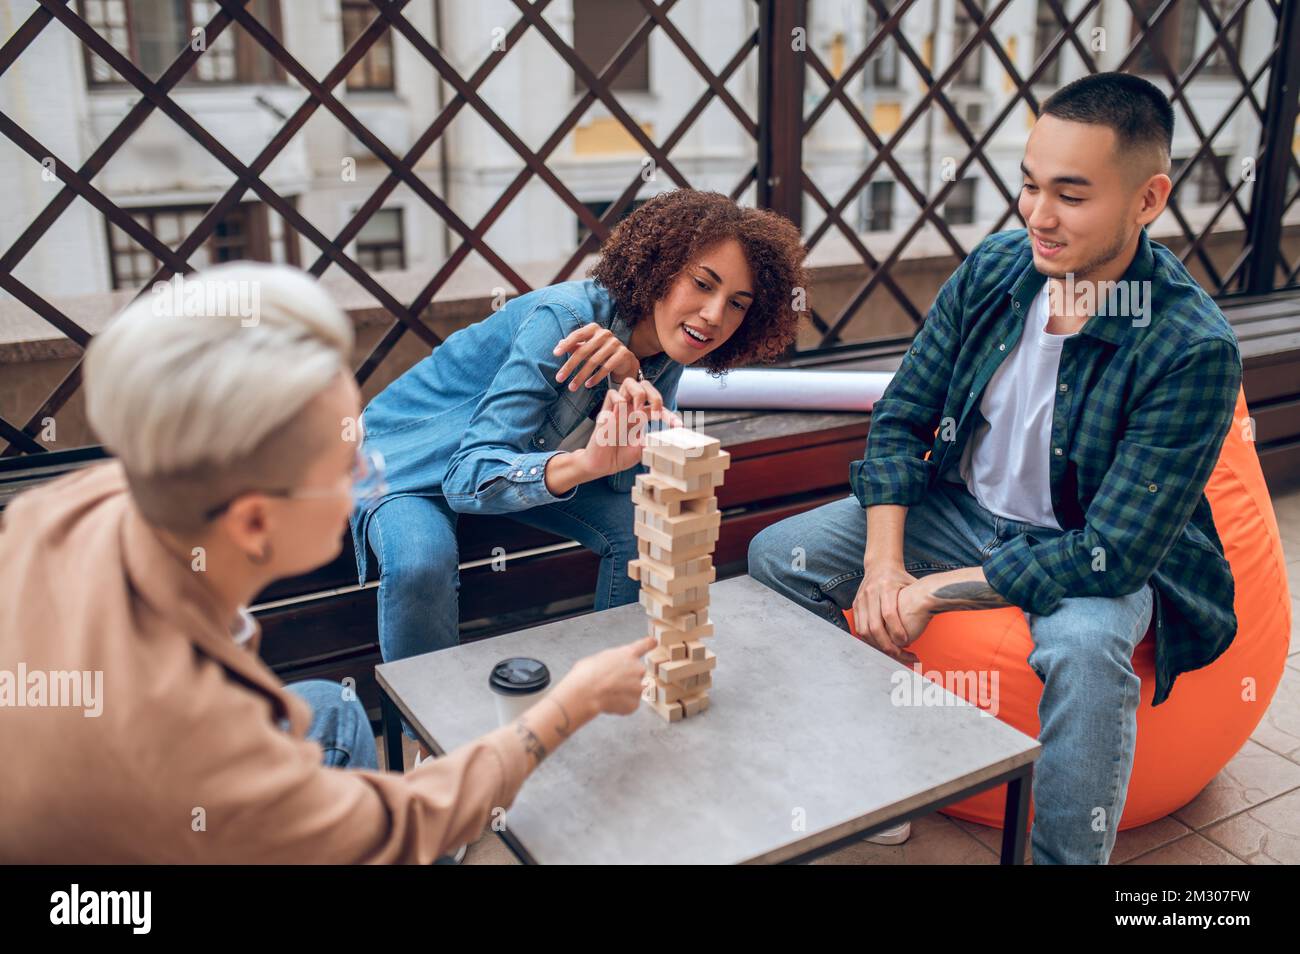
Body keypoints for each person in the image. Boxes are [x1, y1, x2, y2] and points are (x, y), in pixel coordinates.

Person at [0, 263, 655, 863]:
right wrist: (572, 702)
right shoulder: (205, 741)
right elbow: (410, 823)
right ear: (255, 520)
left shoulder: (72, 505)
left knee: (329, 711)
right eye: (349, 461)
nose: (372, 470)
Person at [748, 73, 1242, 864]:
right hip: (964, 509)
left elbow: (1109, 553)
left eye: (1071, 197)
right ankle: (882, 776)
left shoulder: (1191, 346)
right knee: (777, 557)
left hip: (1093, 548)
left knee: (1083, 651)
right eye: (1029, 185)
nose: (1038, 217)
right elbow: (903, 416)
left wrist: (929, 592)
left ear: (1149, 200)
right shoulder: (997, 270)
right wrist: (882, 569)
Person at [351, 189, 807, 743]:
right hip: (410, 461)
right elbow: (467, 478)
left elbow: (620, 478)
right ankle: (429, 746)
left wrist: (625, 384)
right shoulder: (564, 321)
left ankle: (612, 696)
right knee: (421, 561)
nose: (714, 316)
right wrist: (589, 459)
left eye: (737, 302)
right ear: (661, 270)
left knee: (639, 532)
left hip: (504, 465)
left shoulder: (663, 348)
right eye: (703, 284)